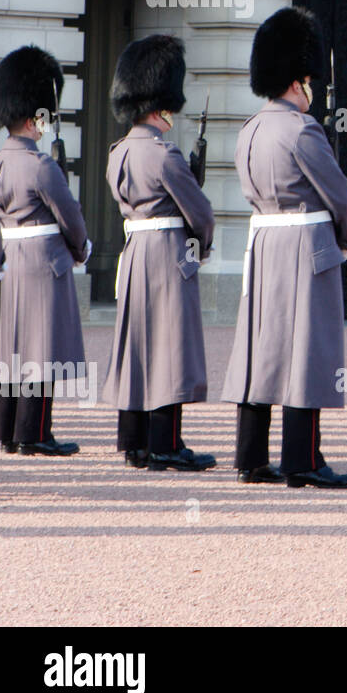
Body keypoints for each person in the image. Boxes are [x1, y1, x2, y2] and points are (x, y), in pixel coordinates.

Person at [222, 6, 347, 488]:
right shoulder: (303, 130)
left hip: (263, 244)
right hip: (306, 245)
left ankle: (251, 457)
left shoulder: (249, 130)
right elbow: (340, 195)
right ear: (299, 80)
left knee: (261, 348)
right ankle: (302, 460)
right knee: (307, 351)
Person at [105, 34, 216, 472]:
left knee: (136, 347)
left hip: (134, 252)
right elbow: (202, 215)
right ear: (159, 106)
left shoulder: (117, 154)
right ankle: (167, 444)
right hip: (170, 252)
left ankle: (134, 443)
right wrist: (200, 250)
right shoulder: (165, 155)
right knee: (171, 348)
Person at [0, 46, 89, 456]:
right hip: (45, 261)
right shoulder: (41, 165)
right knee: (41, 349)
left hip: (10, 262)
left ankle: (10, 430)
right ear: (36, 117)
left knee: (12, 347)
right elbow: (70, 216)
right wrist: (81, 249)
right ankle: (35, 433)